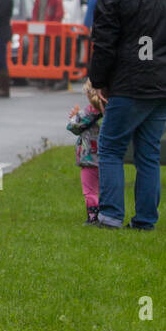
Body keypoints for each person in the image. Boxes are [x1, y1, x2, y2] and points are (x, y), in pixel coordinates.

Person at [87, 0, 166, 230]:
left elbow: (104, 44)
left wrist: (98, 81)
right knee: (148, 152)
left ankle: (110, 215)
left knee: (111, 147)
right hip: (164, 81)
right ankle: (145, 220)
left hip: (130, 83)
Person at [67, 81, 106, 225]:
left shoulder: (91, 110)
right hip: (107, 158)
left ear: (90, 94)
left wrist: (75, 116)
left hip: (89, 158)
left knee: (90, 191)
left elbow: (73, 126)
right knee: (105, 189)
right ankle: (107, 214)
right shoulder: (110, 110)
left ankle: (93, 217)